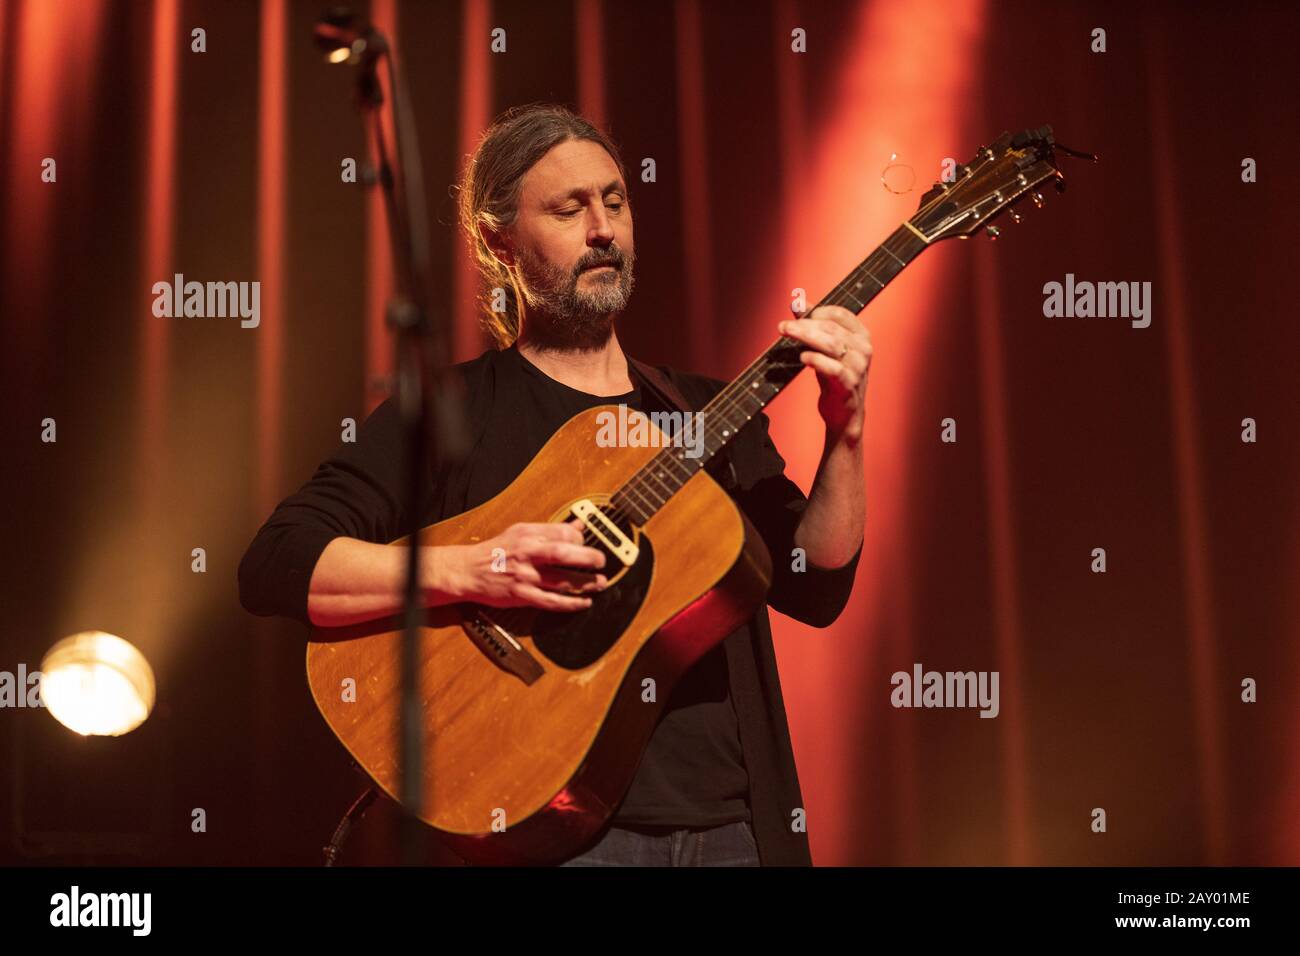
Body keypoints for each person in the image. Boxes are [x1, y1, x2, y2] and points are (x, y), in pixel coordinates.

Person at [237, 103, 871, 866]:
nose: (602, 228)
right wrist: (480, 566)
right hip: (545, 836)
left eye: (614, 201)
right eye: (568, 209)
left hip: (730, 829)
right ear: (497, 241)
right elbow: (276, 562)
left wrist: (846, 429)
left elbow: (816, 582)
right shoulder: (447, 412)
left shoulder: (704, 411)